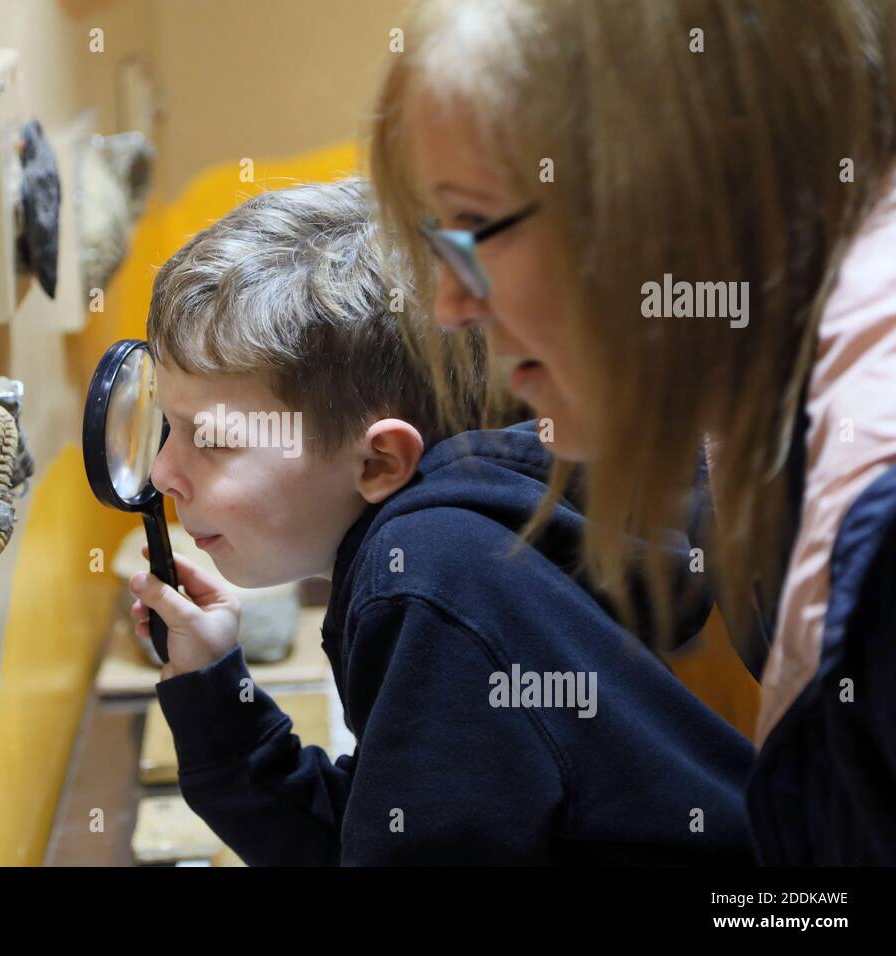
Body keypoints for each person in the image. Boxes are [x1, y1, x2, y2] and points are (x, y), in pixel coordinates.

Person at [369, 0, 896, 863]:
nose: (451, 305)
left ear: (679, 183)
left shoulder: (877, 494)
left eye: (476, 229)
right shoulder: (767, 408)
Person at [126, 177, 754, 865]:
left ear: (379, 462)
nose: (163, 472)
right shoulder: (452, 540)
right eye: (168, 428)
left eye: (211, 439)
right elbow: (368, 830)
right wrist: (216, 694)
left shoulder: (429, 575)